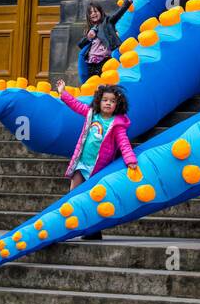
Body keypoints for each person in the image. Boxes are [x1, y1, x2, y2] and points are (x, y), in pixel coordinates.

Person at [55, 78, 139, 239]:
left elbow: (124, 143)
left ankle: (93, 229)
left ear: (117, 105)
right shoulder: (91, 114)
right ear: (98, 102)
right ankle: (72, 223)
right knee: (74, 193)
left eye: (112, 101)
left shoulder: (117, 124)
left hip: (97, 168)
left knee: (92, 198)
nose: (108, 103)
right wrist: (63, 93)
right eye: (105, 100)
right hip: (82, 163)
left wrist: (130, 160)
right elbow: (75, 105)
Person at [76, 0, 135, 81]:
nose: (93, 14)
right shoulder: (89, 30)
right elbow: (80, 45)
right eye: (90, 12)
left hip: (105, 61)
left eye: (95, 11)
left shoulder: (107, 22)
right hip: (91, 64)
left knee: (107, 84)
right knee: (95, 87)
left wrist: (127, 2)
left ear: (101, 12)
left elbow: (117, 14)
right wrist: (88, 37)